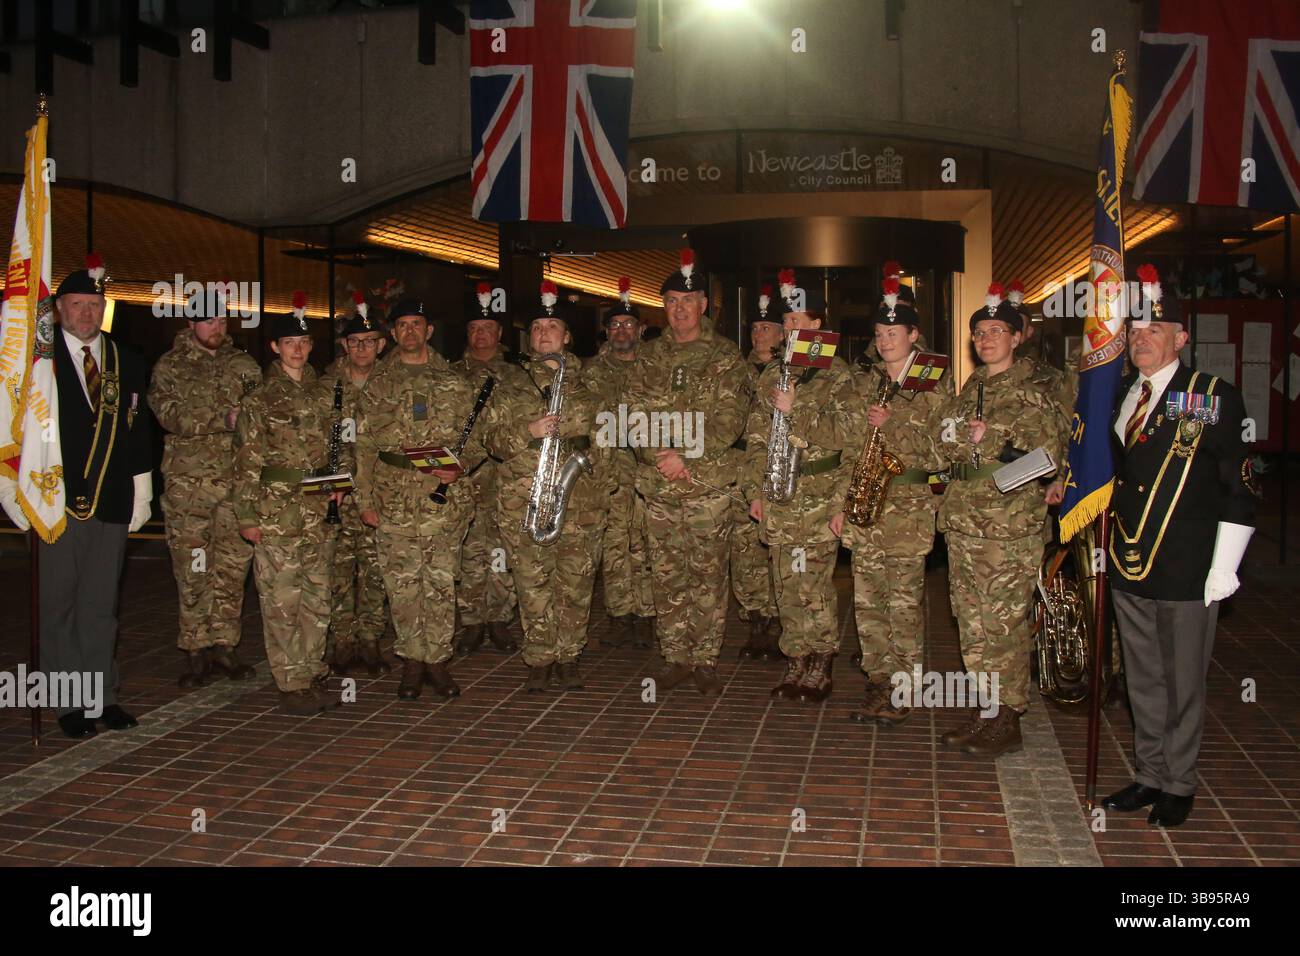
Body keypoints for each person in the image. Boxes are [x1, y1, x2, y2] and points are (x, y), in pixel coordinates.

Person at [1101, 265, 1257, 828]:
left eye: (1155, 329)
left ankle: (1180, 782)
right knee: (1141, 676)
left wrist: (1226, 567)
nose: (1141, 338)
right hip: (1130, 558)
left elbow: (1240, 488)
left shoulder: (1212, 397)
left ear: (1180, 338)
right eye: (1135, 330)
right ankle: (1148, 773)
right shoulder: (1123, 394)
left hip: (1190, 563)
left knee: (1182, 678)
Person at [0, 256, 152, 738]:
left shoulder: (125, 359)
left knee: (100, 607)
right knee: (58, 606)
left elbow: (138, 430)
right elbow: (10, 431)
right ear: (58, 309)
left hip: (110, 499)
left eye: (94, 305)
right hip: (52, 502)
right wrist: (12, 494)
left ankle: (102, 697)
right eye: (76, 305)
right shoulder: (35, 364)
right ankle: (67, 702)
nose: (86, 314)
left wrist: (143, 493)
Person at [934, 284, 1069, 756]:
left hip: (1007, 529)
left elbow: (1045, 462)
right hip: (964, 523)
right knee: (971, 621)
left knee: (1004, 623)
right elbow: (945, 448)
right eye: (979, 332)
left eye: (996, 331)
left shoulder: (1032, 395)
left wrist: (991, 445)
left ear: (1017, 338)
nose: (985, 338)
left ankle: (1008, 714)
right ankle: (985, 708)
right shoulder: (969, 390)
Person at [623, 251, 751, 697]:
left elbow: (729, 420)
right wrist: (657, 450)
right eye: (671, 301)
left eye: (687, 300)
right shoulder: (649, 355)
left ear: (703, 306)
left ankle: (705, 659)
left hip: (705, 486)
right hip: (658, 485)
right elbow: (633, 412)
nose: (679, 308)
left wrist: (686, 456)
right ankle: (675, 655)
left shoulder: (725, 356)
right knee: (666, 574)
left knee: (708, 575)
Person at [353, 299, 485, 701]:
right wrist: (365, 500)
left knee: (441, 582)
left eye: (417, 325)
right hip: (393, 496)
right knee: (403, 583)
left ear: (429, 331)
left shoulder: (456, 381)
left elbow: (479, 439)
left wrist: (463, 466)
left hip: (442, 499)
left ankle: (438, 661)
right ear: (392, 334)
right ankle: (412, 659)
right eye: (402, 326)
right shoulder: (377, 384)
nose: (410, 332)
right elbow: (363, 447)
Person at [836, 281, 953, 725]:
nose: (884, 342)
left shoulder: (934, 384)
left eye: (894, 334)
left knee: (903, 603)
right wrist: (839, 505)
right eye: (880, 335)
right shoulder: (868, 381)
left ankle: (903, 688)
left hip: (906, 506)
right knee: (868, 604)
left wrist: (895, 423)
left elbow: (943, 449)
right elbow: (850, 447)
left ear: (913, 335)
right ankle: (879, 682)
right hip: (866, 504)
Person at [481, 282, 607, 691]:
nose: (543, 334)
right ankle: (539, 656)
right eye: (536, 328)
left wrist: (600, 482)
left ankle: (569, 654)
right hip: (525, 499)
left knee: (576, 581)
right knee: (532, 582)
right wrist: (528, 430)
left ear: (566, 336)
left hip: (580, 498)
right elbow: (491, 440)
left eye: (552, 326)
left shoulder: (592, 384)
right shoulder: (510, 383)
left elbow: (609, 440)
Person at [745, 269, 854, 702]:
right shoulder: (771, 373)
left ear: (817, 326)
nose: (788, 328)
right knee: (786, 582)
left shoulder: (838, 374)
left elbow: (847, 436)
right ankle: (796, 660)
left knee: (815, 584)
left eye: (796, 321)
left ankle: (821, 662)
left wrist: (798, 408)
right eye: (785, 322)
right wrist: (753, 491)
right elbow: (755, 435)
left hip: (820, 493)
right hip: (778, 493)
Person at [233, 294, 342, 716]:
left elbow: (340, 446)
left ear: (311, 346)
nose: (297, 348)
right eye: (288, 342)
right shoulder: (259, 400)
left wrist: (339, 484)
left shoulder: (325, 393)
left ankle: (313, 669)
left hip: (318, 508)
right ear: (275, 348)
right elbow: (246, 461)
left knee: (317, 596)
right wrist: (247, 514)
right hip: (276, 510)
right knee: (282, 600)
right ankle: (291, 679)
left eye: (304, 342)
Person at [150, 294, 261, 688]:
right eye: (209, 321)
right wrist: (221, 418)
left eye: (222, 321)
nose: (217, 328)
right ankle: (195, 647)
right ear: (191, 324)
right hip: (189, 487)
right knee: (194, 566)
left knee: (233, 568)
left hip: (235, 486)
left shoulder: (244, 366)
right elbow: (167, 414)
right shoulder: (171, 366)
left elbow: (260, 416)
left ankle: (224, 645)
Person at [319, 295, 392, 677]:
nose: (362, 348)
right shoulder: (325, 386)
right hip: (338, 495)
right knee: (338, 571)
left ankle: (370, 640)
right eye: (355, 342)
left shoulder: (392, 383)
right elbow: (314, 442)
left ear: (381, 344)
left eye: (370, 341)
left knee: (376, 571)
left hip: (379, 493)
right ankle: (342, 641)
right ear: (345, 345)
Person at [451, 283, 525, 656]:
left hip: (504, 475)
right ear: (468, 335)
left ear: (499, 334)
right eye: (474, 330)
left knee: (501, 548)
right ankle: (471, 621)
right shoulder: (451, 375)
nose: (481, 335)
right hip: (465, 476)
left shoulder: (517, 373)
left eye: (488, 329)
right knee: (467, 548)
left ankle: (498, 617)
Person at [584, 277, 656, 648]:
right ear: (606, 331)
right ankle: (619, 615)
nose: (621, 330)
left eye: (628, 324)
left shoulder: (657, 367)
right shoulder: (590, 372)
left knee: (645, 543)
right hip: (608, 471)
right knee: (613, 545)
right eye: (614, 325)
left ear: (641, 329)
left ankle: (647, 614)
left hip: (648, 470)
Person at [733, 286, 782, 660]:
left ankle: (781, 619)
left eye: (767, 327)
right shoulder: (737, 369)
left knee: (779, 549)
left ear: (782, 332)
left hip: (783, 469)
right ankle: (756, 622)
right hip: (744, 468)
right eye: (754, 328)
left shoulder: (790, 371)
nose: (759, 334)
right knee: (746, 549)